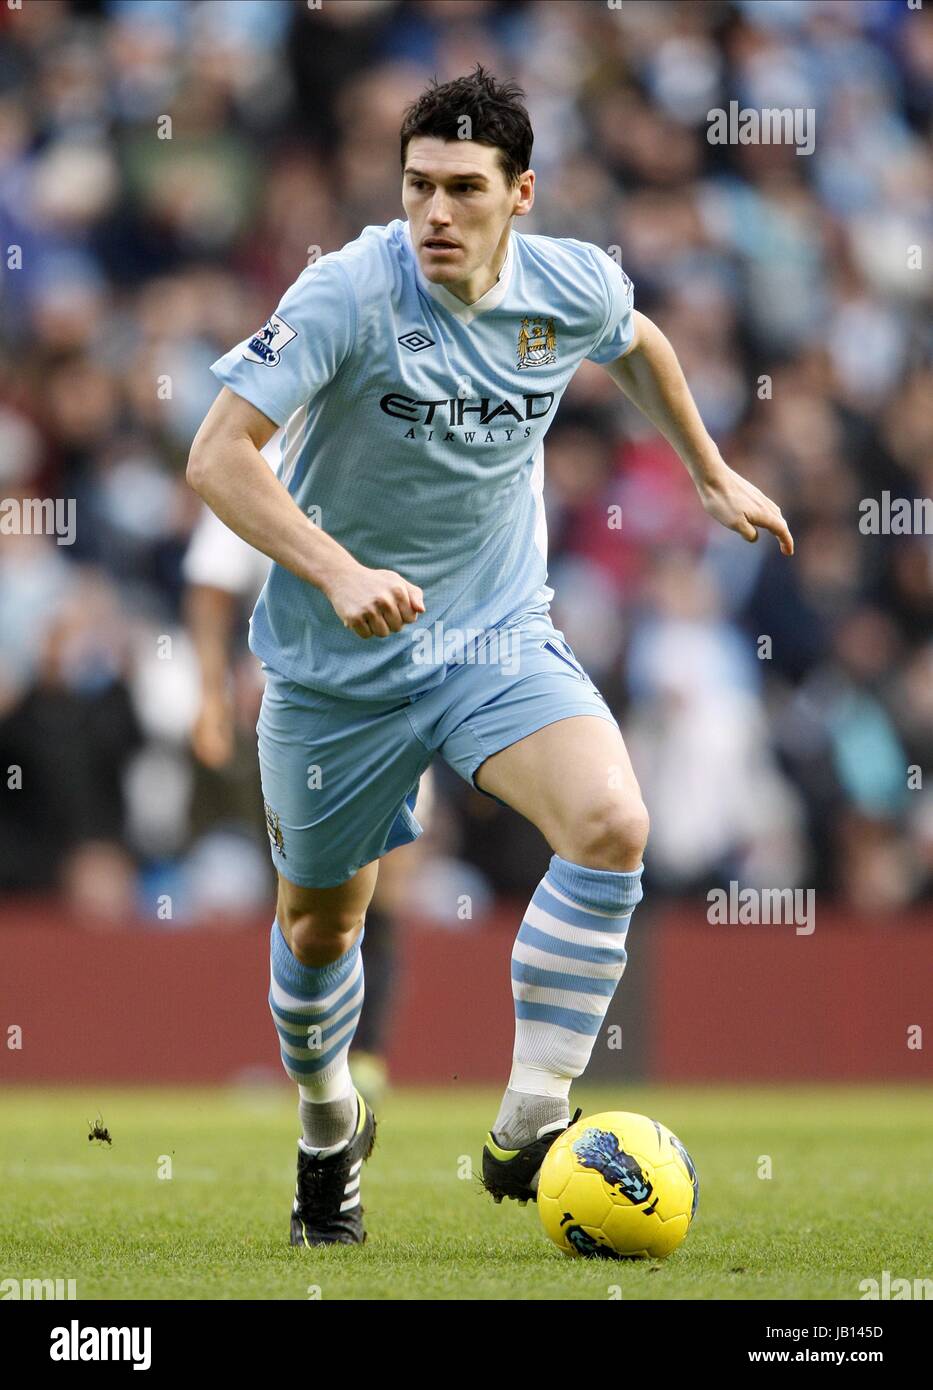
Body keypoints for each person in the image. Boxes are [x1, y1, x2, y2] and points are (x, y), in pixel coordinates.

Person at [187, 66, 793, 1248]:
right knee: (321, 924)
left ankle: (526, 1123)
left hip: (492, 634)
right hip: (333, 663)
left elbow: (640, 341)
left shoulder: (570, 282)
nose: (435, 214)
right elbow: (217, 456)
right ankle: (327, 1126)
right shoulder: (345, 293)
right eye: (417, 186)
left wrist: (711, 471)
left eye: (465, 189)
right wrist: (337, 569)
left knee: (613, 824)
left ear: (523, 194)